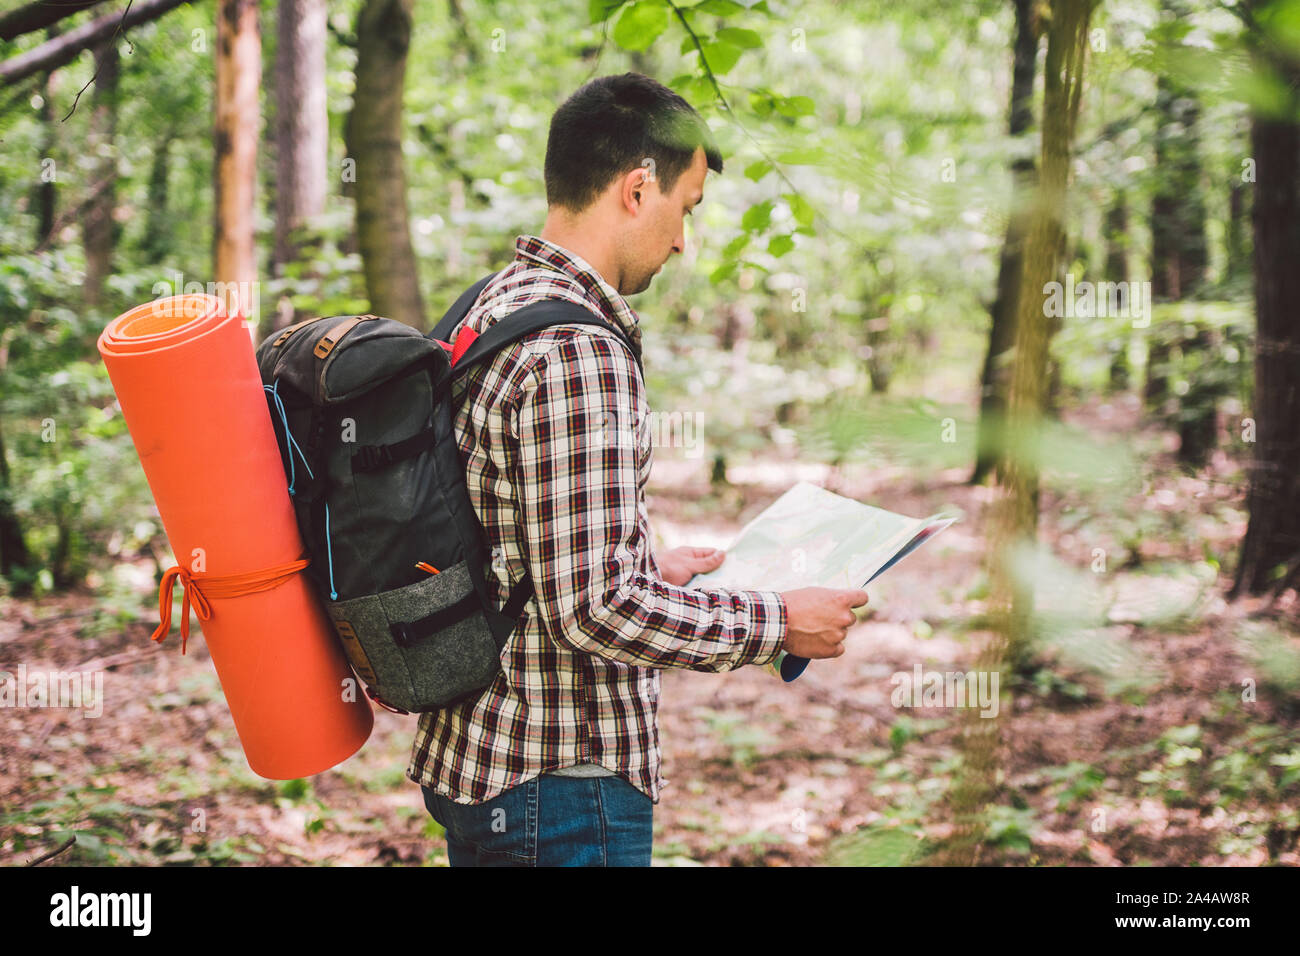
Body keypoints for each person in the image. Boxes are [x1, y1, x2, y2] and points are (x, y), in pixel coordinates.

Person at [409, 71, 868, 867]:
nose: (685, 240)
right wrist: (778, 623)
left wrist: (643, 564)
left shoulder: (491, 305)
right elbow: (594, 610)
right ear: (636, 187)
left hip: (483, 754)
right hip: (557, 783)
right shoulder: (577, 349)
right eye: (686, 209)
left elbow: (501, 525)